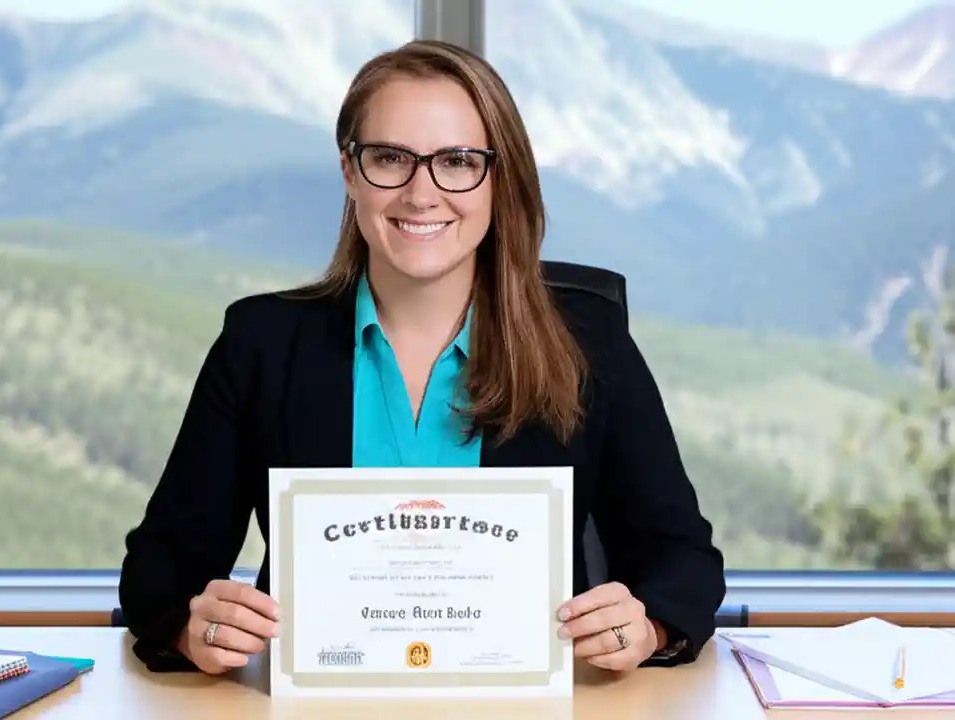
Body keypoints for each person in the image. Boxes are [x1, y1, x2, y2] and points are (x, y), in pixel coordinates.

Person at [118, 39, 725, 677]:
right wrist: (193, 627)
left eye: (458, 162)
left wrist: (647, 625)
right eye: (389, 158)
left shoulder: (588, 340)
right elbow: (159, 569)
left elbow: (684, 563)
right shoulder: (260, 344)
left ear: (499, 177)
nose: (421, 192)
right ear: (350, 173)